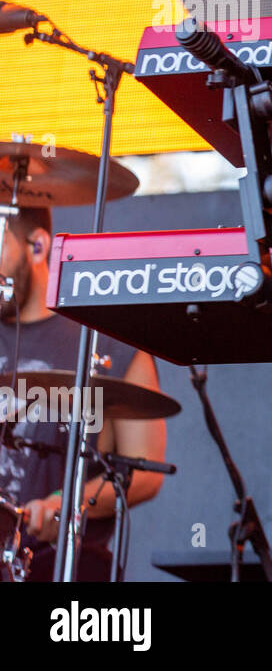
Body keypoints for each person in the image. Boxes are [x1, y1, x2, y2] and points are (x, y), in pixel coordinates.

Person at [0, 206, 167, 580]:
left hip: (51, 564)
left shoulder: (108, 344)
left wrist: (68, 503)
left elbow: (146, 471)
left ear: (38, 246)